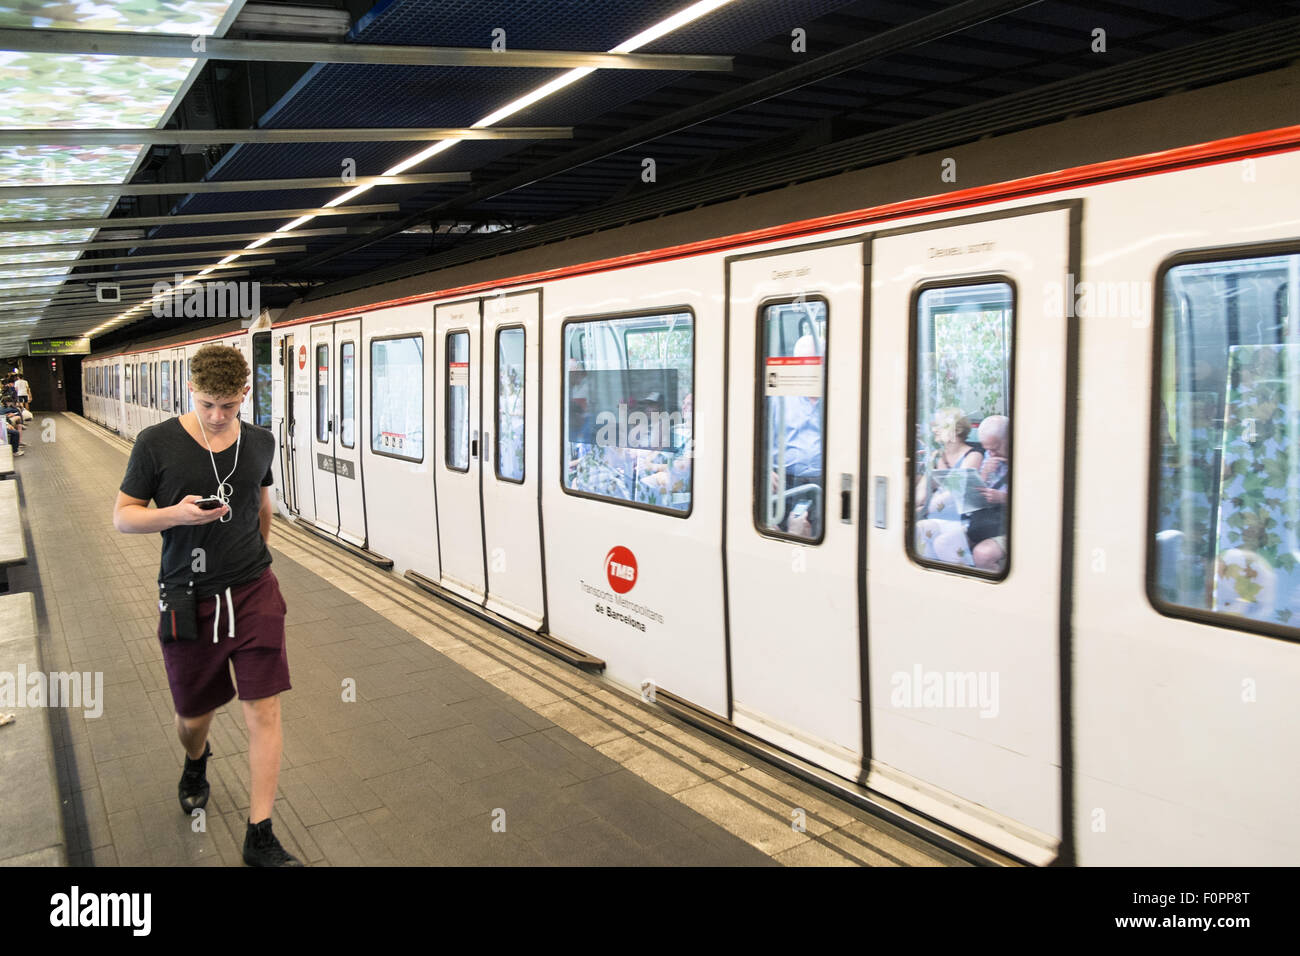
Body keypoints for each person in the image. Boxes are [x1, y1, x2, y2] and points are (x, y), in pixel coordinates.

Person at [112, 345, 301, 867]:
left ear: (245, 395)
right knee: (193, 715)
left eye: (228, 406)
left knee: (264, 707)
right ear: (190, 391)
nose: (217, 417)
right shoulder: (157, 443)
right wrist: (174, 515)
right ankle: (196, 760)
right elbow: (124, 517)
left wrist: (259, 561)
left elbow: (261, 504)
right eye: (207, 403)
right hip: (187, 596)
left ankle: (259, 832)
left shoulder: (260, 442)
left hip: (253, 590)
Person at [770, 336, 823, 537]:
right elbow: (759, 441)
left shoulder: (837, 397)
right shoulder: (779, 398)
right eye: (803, 362)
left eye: (816, 362)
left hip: (823, 480)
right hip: (785, 481)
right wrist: (766, 469)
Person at [967, 415, 1010, 572]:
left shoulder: (1028, 460)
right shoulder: (988, 456)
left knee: (982, 554)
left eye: (995, 448)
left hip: (1012, 524)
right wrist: (983, 474)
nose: (991, 454)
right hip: (988, 520)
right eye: (987, 450)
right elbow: (974, 494)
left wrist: (1002, 498)